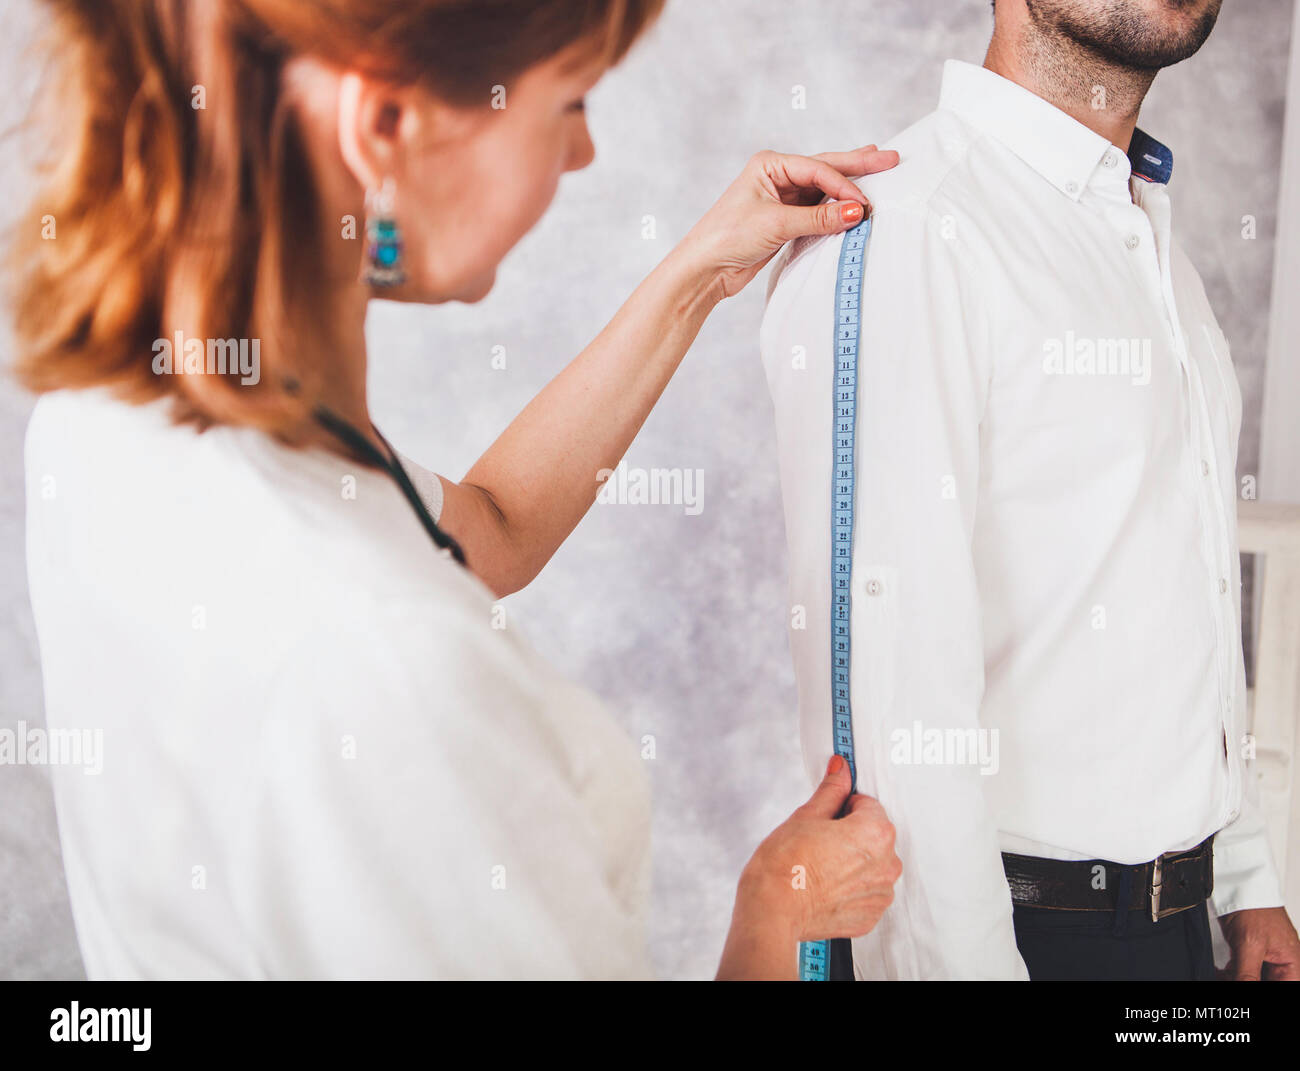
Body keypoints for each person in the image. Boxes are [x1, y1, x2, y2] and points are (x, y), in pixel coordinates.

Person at [12, 0, 902, 979]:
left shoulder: (113, 425)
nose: (583, 153)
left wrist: (694, 275)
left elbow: (488, 530)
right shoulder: (382, 661)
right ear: (386, 126)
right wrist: (778, 914)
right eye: (568, 102)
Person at [760, 0, 1300, 980]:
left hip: (1183, 925)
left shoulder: (1143, 242)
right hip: (1020, 938)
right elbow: (896, 705)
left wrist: (1246, 880)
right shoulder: (908, 228)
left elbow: (1186, 588)